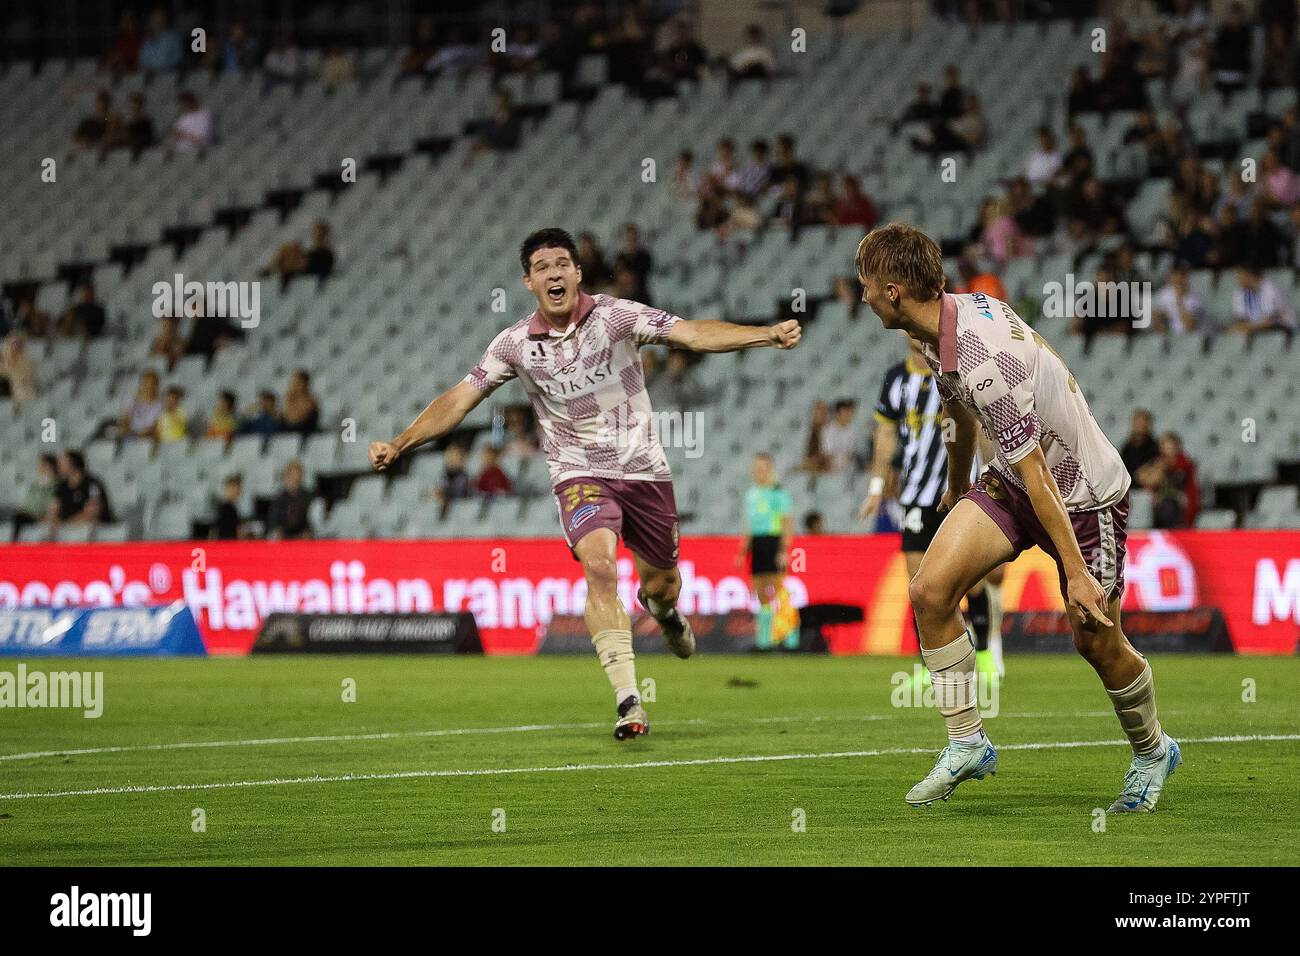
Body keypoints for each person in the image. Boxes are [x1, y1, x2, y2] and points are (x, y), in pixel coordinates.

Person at [369, 227, 802, 740]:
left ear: (577, 273)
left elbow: (691, 333)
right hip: (577, 472)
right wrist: (400, 443)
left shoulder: (617, 316)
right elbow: (459, 400)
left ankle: (664, 613)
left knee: (662, 584)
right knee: (598, 566)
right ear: (528, 281)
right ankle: (629, 700)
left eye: (562, 263)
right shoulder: (513, 345)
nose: (553, 272)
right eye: (542, 266)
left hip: (643, 471)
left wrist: (764, 333)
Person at [854, 221, 1178, 812]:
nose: (862, 293)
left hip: (1084, 495)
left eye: (866, 282)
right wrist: (955, 490)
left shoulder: (983, 356)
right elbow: (959, 412)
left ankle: (1153, 750)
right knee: (929, 590)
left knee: (1095, 640)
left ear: (895, 290)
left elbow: (1040, 474)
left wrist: (1075, 571)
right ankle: (966, 742)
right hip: (1010, 480)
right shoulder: (942, 326)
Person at [859, 338, 1003, 683]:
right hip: (914, 496)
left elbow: (980, 426)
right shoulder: (896, 378)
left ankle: (983, 653)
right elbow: (885, 434)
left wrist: (990, 471)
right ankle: (932, 667)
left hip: (960, 491)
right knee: (918, 583)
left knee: (973, 579)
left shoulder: (956, 371)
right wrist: (877, 487)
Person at [736, 453, 797, 651]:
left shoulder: (779, 494)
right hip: (757, 543)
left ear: (770, 469)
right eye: (756, 469)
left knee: (778, 587)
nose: (758, 472)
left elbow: (787, 523)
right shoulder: (751, 494)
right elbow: (749, 524)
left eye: (762, 468)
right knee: (760, 589)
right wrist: (742, 550)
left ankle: (790, 635)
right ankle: (765, 640)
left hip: (773, 541)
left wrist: (783, 550)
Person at [50, 450, 113, 527]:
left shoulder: (92, 484)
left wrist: (66, 524)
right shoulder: (61, 486)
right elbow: (54, 510)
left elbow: (93, 513)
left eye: (62, 463)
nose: (58, 466)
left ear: (73, 464)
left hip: (92, 529)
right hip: (66, 530)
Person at [1230, 265, 1296, 336]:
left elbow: (1269, 321)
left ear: (1249, 275)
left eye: (1239, 275)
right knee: (1234, 334)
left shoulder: (1270, 289)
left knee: (1241, 332)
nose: (1236, 278)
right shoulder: (1240, 293)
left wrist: (1246, 328)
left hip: (1281, 326)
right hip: (1257, 327)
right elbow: (1240, 319)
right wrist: (1240, 328)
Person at [265, 460, 314, 539]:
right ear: (286, 476)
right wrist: (277, 530)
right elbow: (272, 520)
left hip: (303, 534)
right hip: (284, 534)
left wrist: (308, 531)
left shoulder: (309, 497)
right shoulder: (279, 498)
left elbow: (312, 520)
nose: (294, 480)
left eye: (297, 477)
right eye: (291, 476)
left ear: (301, 477)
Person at [118, 369, 163, 439]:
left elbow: (156, 426)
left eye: (152, 383)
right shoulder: (131, 400)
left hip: (149, 437)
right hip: (131, 434)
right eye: (145, 383)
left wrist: (141, 434)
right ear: (141, 384)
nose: (148, 386)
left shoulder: (161, 404)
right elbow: (125, 419)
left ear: (156, 386)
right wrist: (125, 428)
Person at [819, 399, 861, 473]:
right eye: (845, 412)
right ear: (838, 413)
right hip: (830, 469)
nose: (848, 415)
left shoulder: (854, 430)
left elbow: (853, 451)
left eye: (850, 412)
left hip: (850, 469)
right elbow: (827, 454)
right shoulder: (828, 429)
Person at [1120, 409, 1161, 479]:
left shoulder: (1156, 447)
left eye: (1143, 423)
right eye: (1137, 423)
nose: (1140, 427)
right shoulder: (1126, 448)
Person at [0, 333, 38, 405]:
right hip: (17, 400)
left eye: (17, 344)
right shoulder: (10, 363)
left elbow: (12, 369)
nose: (14, 347)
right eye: (12, 344)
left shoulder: (28, 362)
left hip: (29, 398)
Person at [281, 369, 320, 435]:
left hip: (304, 433)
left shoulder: (310, 400)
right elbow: (286, 416)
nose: (293, 385)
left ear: (304, 383)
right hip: (290, 432)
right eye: (292, 382)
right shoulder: (290, 398)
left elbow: (296, 419)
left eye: (296, 382)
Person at [212, 474, 246, 540]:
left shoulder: (231, 508)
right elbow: (215, 530)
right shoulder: (226, 508)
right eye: (236, 488)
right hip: (226, 545)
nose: (239, 491)